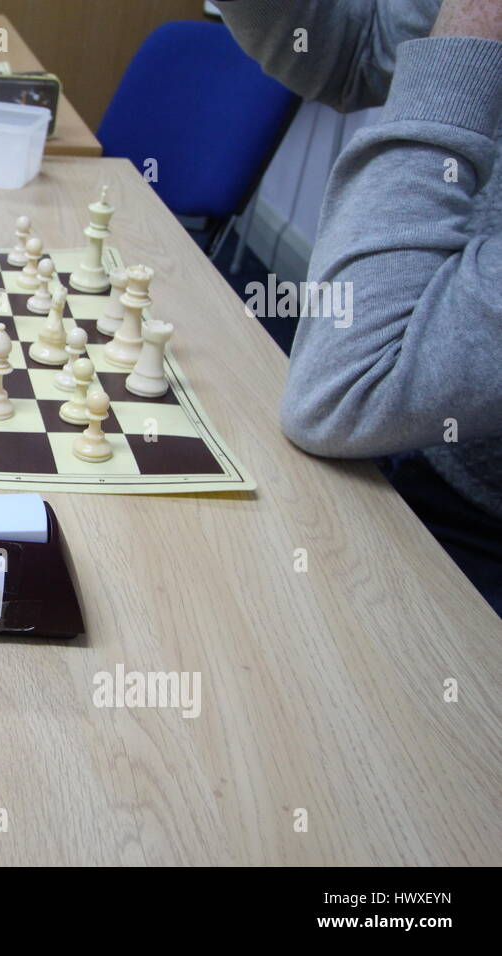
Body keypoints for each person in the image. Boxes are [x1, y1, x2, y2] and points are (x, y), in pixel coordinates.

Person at [216, 0, 502, 614]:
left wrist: (478, 20)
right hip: (407, 451)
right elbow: (353, 54)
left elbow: (351, 387)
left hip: (467, 506)